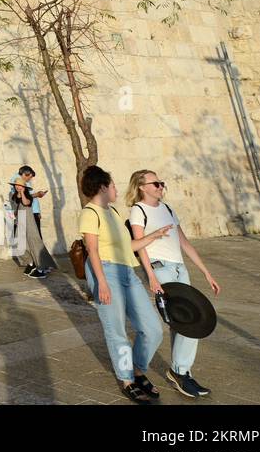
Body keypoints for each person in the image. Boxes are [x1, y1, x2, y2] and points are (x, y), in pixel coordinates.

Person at [78, 164, 173, 404]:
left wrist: (154, 236)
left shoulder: (114, 213)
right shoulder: (90, 213)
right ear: (102, 187)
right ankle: (127, 380)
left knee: (152, 328)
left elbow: (128, 247)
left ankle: (138, 369)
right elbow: (93, 250)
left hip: (127, 271)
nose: (116, 190)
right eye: (113, 186)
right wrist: (101, 284)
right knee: (116, 330)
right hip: (106, 272)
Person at [127, 169, 221, 399]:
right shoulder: (138, 211)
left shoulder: (168, 209)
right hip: (161, 268)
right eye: (156, 183)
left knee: (190, 320)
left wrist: (206, 272)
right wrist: (151, 276)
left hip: (179, 268)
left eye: (161, 182)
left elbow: (185, 243)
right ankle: (180, 372)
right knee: (186, 318)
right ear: (142, 187)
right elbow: (139, 246)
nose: (160, 186)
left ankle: (181, 371)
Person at [10, 165, 57, 278]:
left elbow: (27, 202)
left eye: (19, 185)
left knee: (35, 241)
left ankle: (42, 266)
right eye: (16, 185)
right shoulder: (16, 193)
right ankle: (31, 263)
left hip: (29, 219)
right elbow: (17, 200)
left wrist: (23, 192)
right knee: (22, 242)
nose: (17, 186)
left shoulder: (26, 193)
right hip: (22, 220)